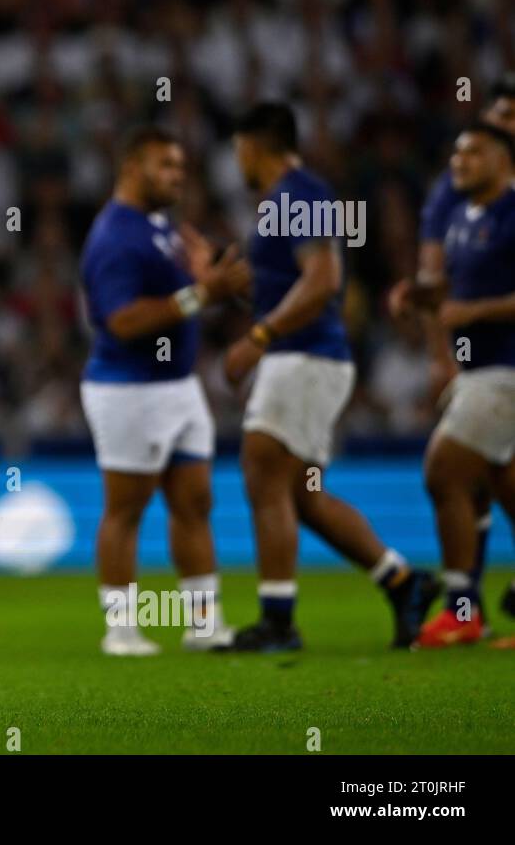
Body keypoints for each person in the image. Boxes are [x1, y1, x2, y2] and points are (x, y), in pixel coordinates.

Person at [221, 102, 437, 651]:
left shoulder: (302, 194)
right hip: (306, 358)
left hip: (305, 357)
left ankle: (278, 622)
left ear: (253, 144)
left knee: (261, 470)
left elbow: (323, 282)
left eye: (238, 149)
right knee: (303, 496)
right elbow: (295, 283)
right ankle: (403, 582)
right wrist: (237, 289)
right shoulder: (282, 203)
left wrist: (258, 338)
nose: (236, 161)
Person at [79, 125, 251, 655]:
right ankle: (121, 629)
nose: (177, 176)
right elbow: (123, 322)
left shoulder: (165, 228)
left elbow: (187, 295)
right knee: (126, 509)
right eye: (165, 166)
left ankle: (204, 624)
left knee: (195, 502)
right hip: (128, 390)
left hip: (179, 385)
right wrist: (203, 292)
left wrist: (205, 280)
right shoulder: (115, 236)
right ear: (132, 168)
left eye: (181, 166)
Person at [390, 123, 515, 648]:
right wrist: (420, 296)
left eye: (473, 152)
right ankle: (466, 611)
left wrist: (474, 311)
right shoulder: (464, 219)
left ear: (503, 159)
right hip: (478, 370)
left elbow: (476, 300)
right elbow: (454, 288)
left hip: (506, 371)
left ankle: (462, 610)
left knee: (443, 472)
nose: (459, 161)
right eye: (456, 152)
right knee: (504, 488)